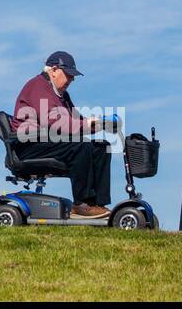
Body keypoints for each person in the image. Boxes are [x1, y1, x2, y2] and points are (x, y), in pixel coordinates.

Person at [9, 50, 111, 218]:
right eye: (69, 74)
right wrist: (86, 124)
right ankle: (81, 204)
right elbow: (55, 123)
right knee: (80, 146)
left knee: (101, 147)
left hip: (48, 141)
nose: (72, 79)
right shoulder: (38, 87)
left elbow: (75, 120)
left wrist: (99, 125)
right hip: (29, 145)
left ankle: (97, 204)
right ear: (54, 70)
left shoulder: (62, 95)